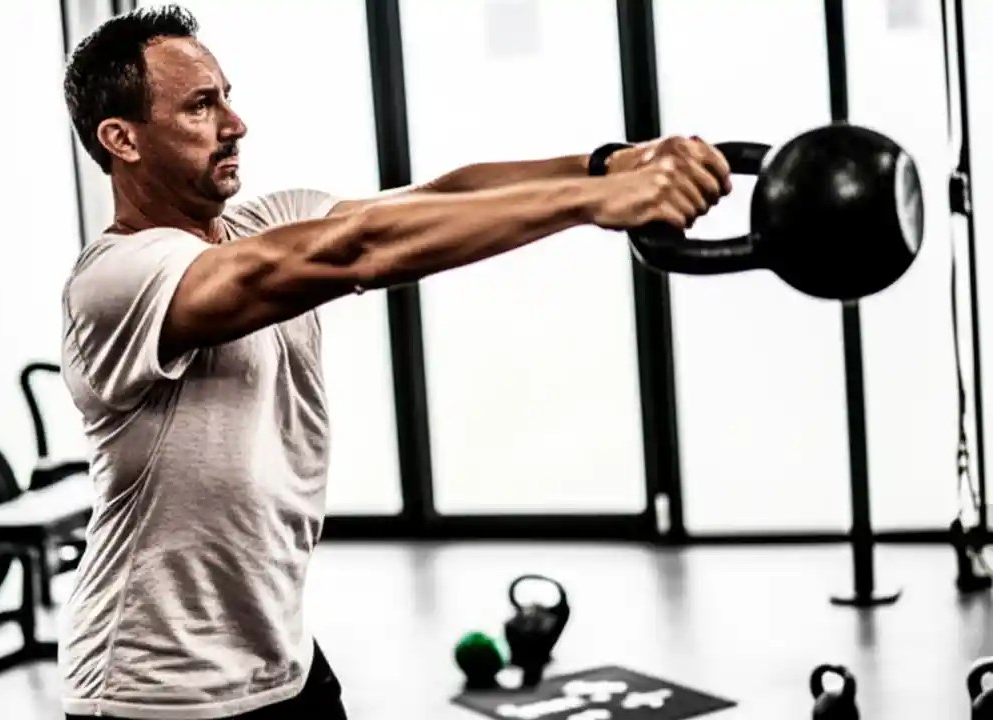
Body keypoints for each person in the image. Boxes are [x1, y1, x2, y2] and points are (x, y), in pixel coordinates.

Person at [56, 5, 732, 720]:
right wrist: (596, 201)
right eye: (201, 105)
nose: (235, 123)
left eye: (227, 95)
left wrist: (605, 163)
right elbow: (356, 251)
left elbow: (439, 197)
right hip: (152, 689)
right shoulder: (117, 280)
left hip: (281, 663)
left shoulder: (258, 225)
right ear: (121, 138)